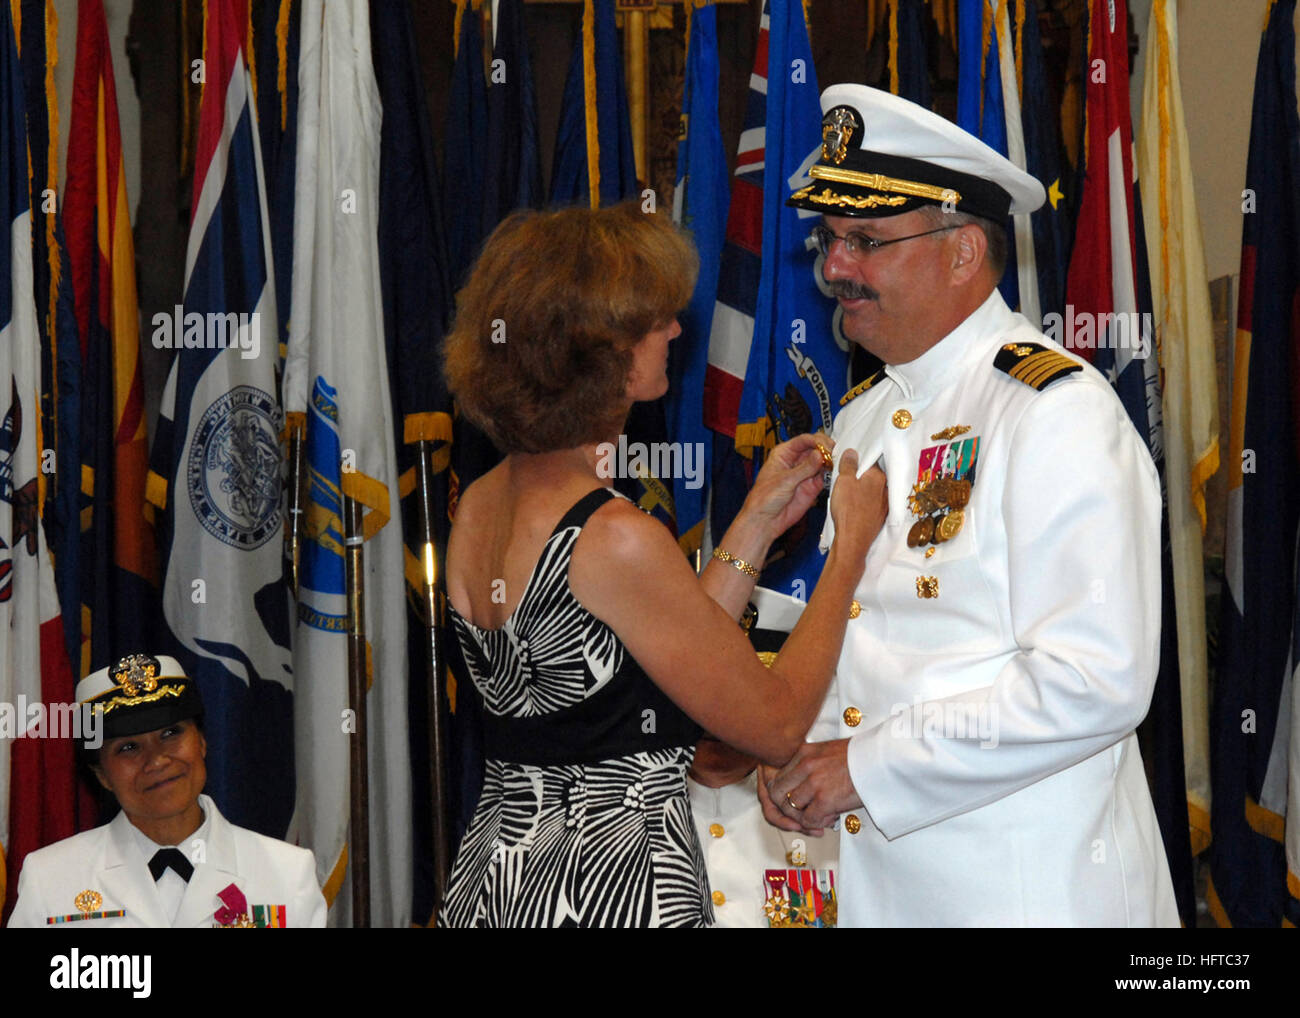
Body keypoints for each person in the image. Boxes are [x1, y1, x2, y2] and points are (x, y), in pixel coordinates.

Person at [760, 84, 1179, 927]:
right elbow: (879, 637)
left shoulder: (1052, 409)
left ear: (963, 251)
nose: (835, 268)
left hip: (1030, 891)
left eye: (867, 241)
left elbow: (1096, 681)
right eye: (831, 240)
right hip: (892, 883)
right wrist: (792, 748)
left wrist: (864, 768)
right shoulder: (867, 415)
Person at [437, 202, 886, 927]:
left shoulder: (483, 502)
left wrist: (758, 519)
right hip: (610, 886)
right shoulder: (612, 535)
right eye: (654, 320)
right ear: (599, 348)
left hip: (503, 875)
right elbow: (771, 726)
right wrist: (850, 553)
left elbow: (650, 657)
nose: (676, 330)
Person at [7, 653, 326, 928]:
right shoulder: (51, 878)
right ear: (101, 774)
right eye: (128, 747)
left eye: (171, 733)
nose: (156, 760)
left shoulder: (287, 873)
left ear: (201, 742)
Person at [688, 587, 838, 928]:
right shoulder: (626, 814)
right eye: (699, 697)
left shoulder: (832, 820)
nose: (718, 720)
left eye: (743, 705)